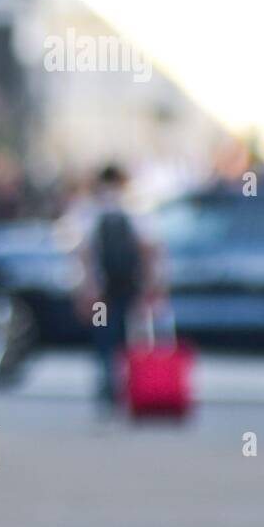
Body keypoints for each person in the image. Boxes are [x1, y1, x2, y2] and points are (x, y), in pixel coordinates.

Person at [73, 163, 158, 415]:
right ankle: (121, 385)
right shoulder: (134, 208)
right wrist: (150, 283)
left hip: (101, 290)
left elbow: (82, 252)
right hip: (127, 286)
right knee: (124, 334)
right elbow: (149, 248)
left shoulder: (89, 210)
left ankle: (107, 386)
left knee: (103, 335)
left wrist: (87, 286)